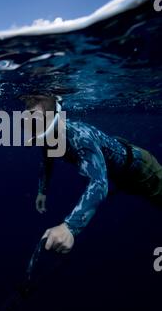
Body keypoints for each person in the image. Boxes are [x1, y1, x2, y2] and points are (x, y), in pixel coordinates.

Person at [22, 94, 162, 254]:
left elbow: (99, 184)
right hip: (120, 173)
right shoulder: (50, 136)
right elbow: (47, 159)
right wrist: (42, 191)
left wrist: (70, 227)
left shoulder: (81, 139)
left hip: (142, 168)